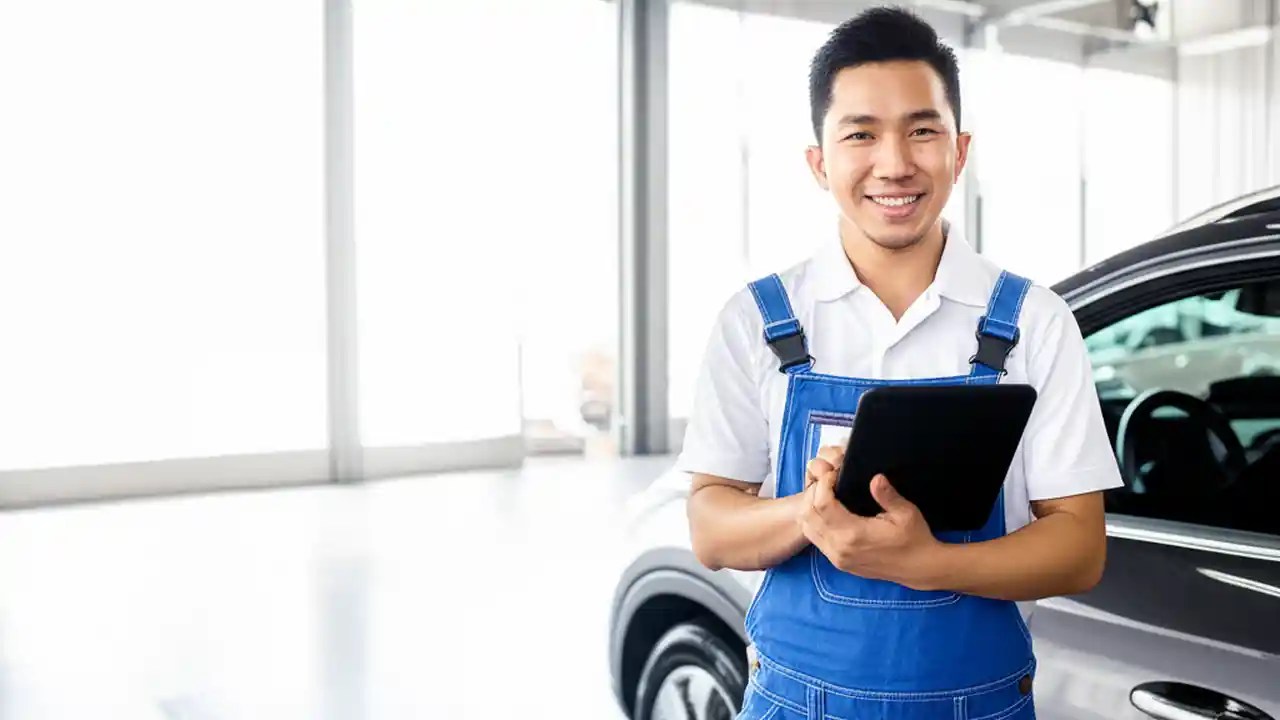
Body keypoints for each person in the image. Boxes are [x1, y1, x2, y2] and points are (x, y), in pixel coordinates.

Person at [677, 7, 1123, 720]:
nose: (895, 163)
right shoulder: (757, 322)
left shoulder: (1035, 324)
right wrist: (813, 512)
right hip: (796, 704)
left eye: (922, 130)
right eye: (861, 134)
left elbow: (1079, 546)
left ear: (960, 150)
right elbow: (711, 526)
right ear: (820, 162)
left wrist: (925, 562)